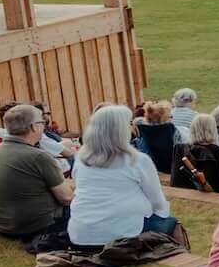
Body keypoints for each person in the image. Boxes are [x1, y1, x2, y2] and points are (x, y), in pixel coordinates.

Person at [64, 105, 176, 245]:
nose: (132, 127)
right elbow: (157, 202)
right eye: (129, 123)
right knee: (170, 221)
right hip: (125, 234)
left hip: (81, 235)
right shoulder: (138, 160)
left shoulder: (81, 158)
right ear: (120, 129)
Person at [0, 103, 73, 240]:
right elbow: (66, 198)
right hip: (35, 227)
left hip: (2, 226)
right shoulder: (39, 156)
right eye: (42, 122)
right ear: (33, 127)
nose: (44, 125)